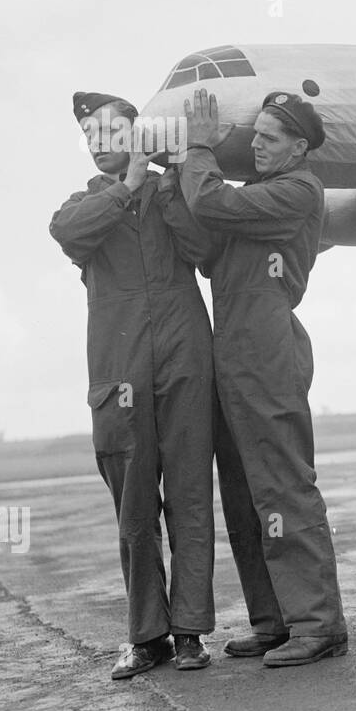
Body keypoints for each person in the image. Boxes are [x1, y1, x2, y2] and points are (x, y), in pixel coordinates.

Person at [50, 92, 216, 678]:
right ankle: (148, 637)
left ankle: (191, 631)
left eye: (111, 133)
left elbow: (204, 250)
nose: (99, 143)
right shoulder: (86, 205)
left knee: (192, 492)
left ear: (137, 135)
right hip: (119, 367)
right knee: (134, 503)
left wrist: (163, 185)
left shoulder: (172, 192)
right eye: (90, 136)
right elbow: (68, 234)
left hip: (184, 353)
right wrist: (128, 186)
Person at [179, 88, 348, 667]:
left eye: (268, 138)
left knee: (281, 486)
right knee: (246, 494)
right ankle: (274, 620)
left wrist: (198, 147)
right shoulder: (255, 195)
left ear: (299, 147)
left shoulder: (298, 190)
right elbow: (204, 240)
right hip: (233, 350)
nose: (255, 144)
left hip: (267, 349)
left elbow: (209, 206)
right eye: (253, 135)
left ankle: (319, 625)